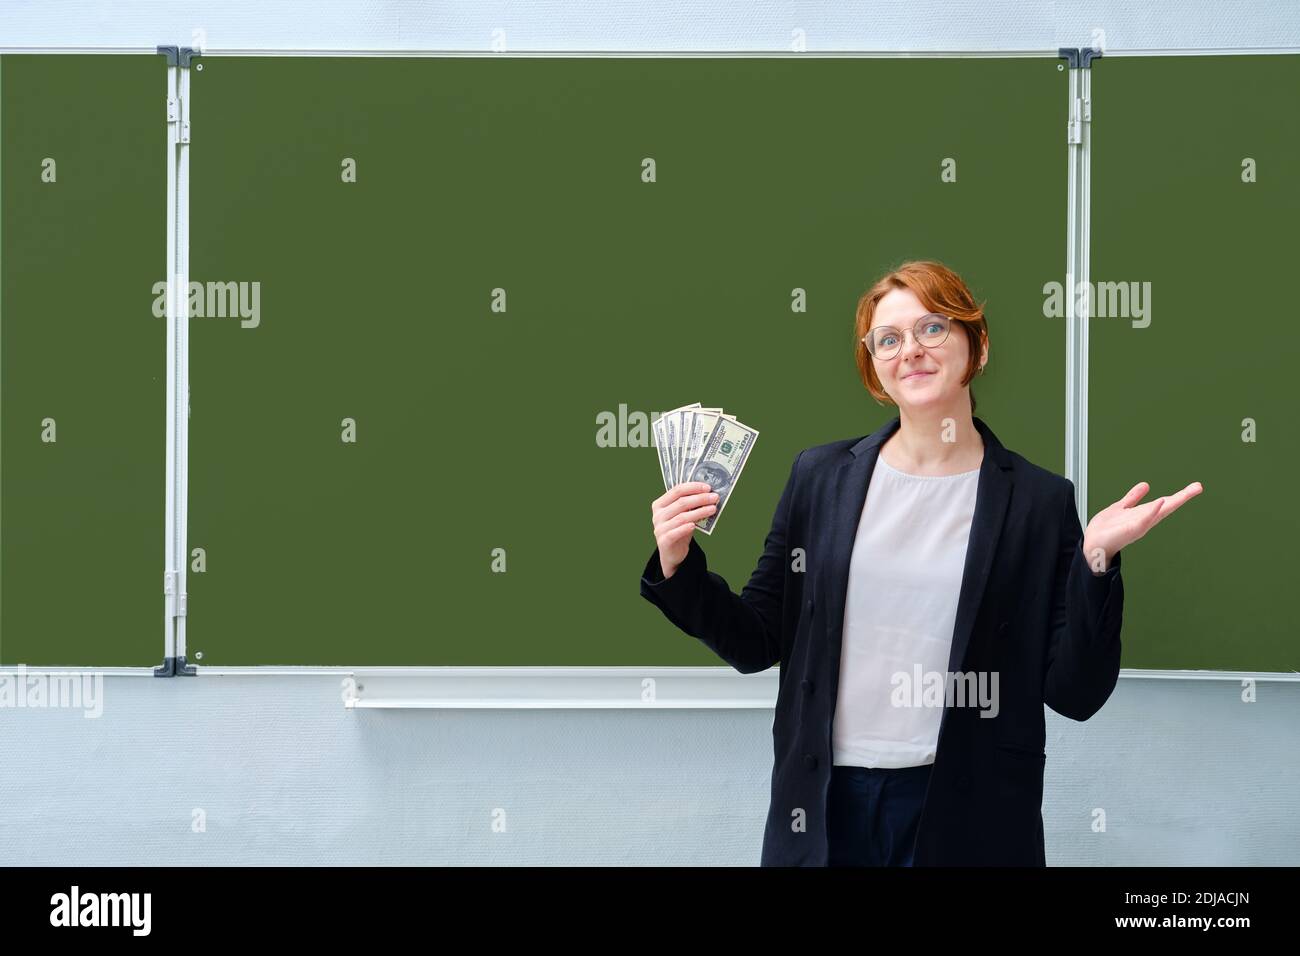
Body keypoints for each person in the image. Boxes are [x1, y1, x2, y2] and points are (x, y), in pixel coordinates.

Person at [639, 260, 1202, 866]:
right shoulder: (819, 479)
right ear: (875, 367)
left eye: (933, 329)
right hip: (826, 807)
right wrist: (680, 564)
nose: (910, 350)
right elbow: (757, 641)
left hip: (967, 811)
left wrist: (1096, 561)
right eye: (889, 339)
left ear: (977, 346)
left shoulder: (1039, 503)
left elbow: (1075, 693)